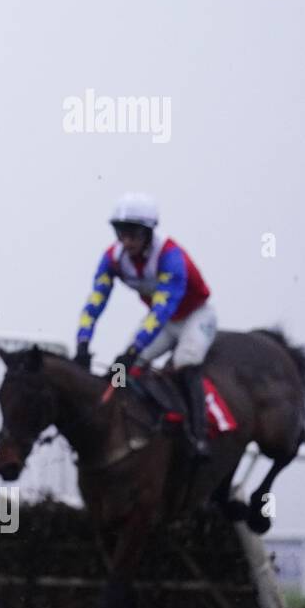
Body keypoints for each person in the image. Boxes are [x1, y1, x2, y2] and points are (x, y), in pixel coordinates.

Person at [74, 193, 215, 456]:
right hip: (162, 321)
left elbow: (162, 309)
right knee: (122, 368)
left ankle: (199, 436)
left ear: (149, 233)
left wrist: (134, 349)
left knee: (186, 361)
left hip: (194, 316)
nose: (126, 242)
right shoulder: (112, 259)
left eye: (134, 234)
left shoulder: (171, 257)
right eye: (121, 233)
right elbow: (95, 302)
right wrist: (82, 342)